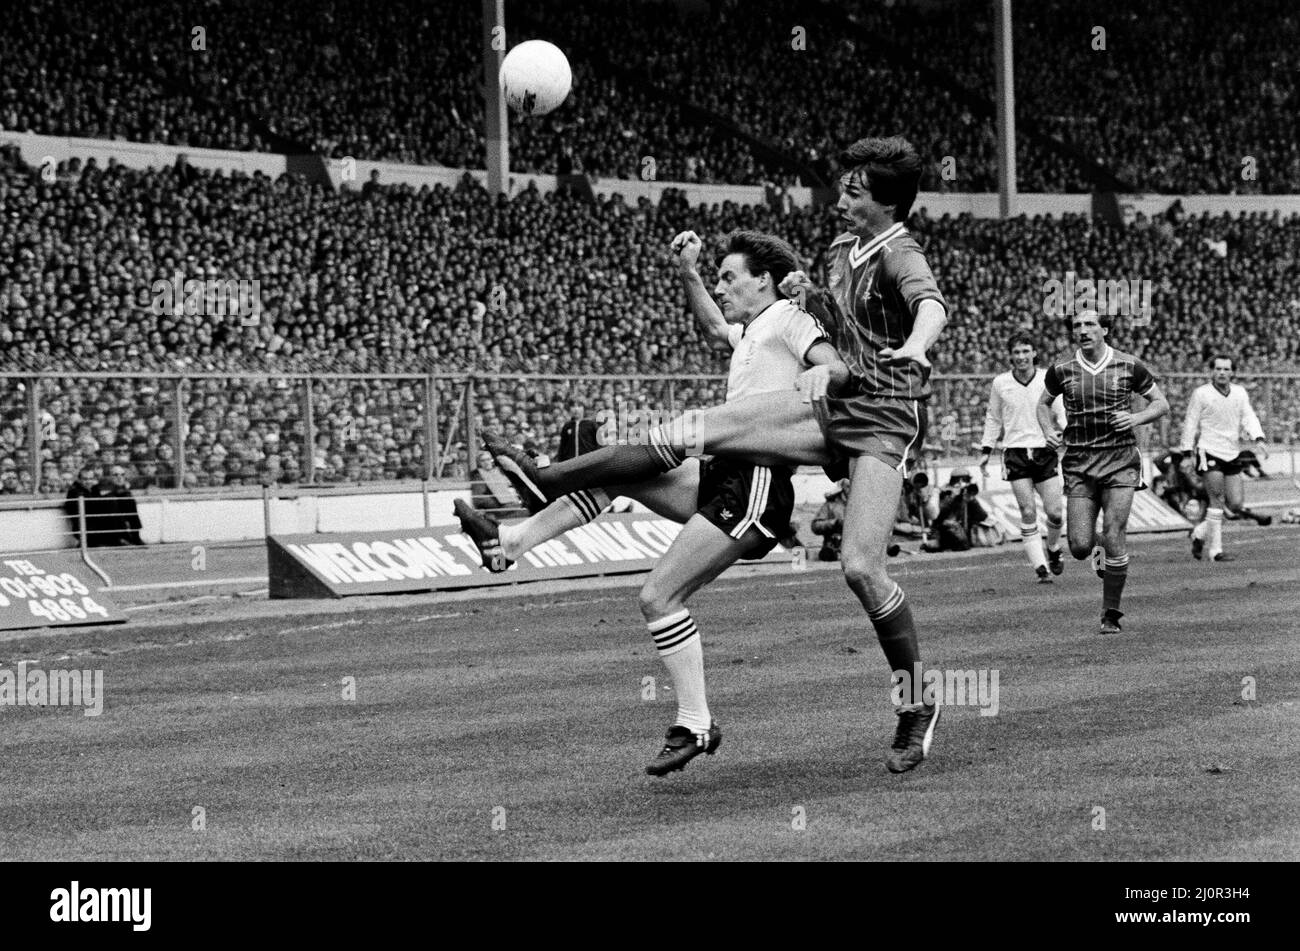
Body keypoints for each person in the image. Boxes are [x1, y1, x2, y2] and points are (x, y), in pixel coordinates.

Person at [486, 136, 949, 773]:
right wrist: (812, 297)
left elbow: (929, 306)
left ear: (887, 202)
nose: (840, 197)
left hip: (882, 421)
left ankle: (918, 702)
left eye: (854, 191)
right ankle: (542, 485)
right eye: (843, 186)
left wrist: (918, 345)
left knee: (861, 568)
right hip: (832, 407)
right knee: (691, 431)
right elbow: (844, 327)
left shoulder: (901, 252)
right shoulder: (844, 251)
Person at [459, 229, 848, 776]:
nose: (722, 285)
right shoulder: (755, 330)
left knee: (658, 595)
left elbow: (833, 363)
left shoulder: (788, 317)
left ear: (764, 281)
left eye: (728, 276)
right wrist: (687, 271)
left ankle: (696, 723)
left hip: (757, 484)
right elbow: (715, 325)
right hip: (722, 475)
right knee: (623, 475)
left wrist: (822, 375)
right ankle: (508, 543)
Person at [1037, 311, 1169, 635]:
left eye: (1089, 325)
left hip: (1120, 459)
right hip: (1080, 462)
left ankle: (1111, 613)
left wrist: (1136, 419)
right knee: (1080, 546)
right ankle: (1101, 553)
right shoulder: (1062, 370)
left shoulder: (1128, 365)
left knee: (1114, 532)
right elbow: (1043, 404)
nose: (1082, 330)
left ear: (1105, 330)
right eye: (1077, 326)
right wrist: (1047, 429)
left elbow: (1161, 404)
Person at [979, 332, 1067, 583]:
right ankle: (1041, 568)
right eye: (1016, 352)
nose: (1021, 357)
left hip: (1044, 450)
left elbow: (1060, 411)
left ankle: (1052, 548)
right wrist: (986, 450)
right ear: (1010, 356)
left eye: (1026, 351)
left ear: (1034, 353)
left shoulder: (1047, 379)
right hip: (1015, 452)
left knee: (1056, 514)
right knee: (1027, 510)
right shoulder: (1001, 383)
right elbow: (993, 417)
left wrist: (1067, 432)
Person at [1179, 355, 1272, 562]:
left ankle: (1199, 534)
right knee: (1217, 500)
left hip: (1232, 451)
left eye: (1226, 369)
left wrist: (1259, 438)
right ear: (1211, 371)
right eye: (1218, 368)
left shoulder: (1239, 393)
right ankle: (1215, 551)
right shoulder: (1201, 393)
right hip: (1209, 451)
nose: (1222, 372)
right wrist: (1187, 453)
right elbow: (1190, 423)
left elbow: (1249, 416)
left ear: (1232, 372)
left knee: (1236, 504)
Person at [812, 479, 850, 561]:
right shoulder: (830, 505)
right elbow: (815, 526)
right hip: (832, 549)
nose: (851, 490)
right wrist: (834, 522)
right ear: (842, 487)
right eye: (848, 487)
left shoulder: (862, 505)